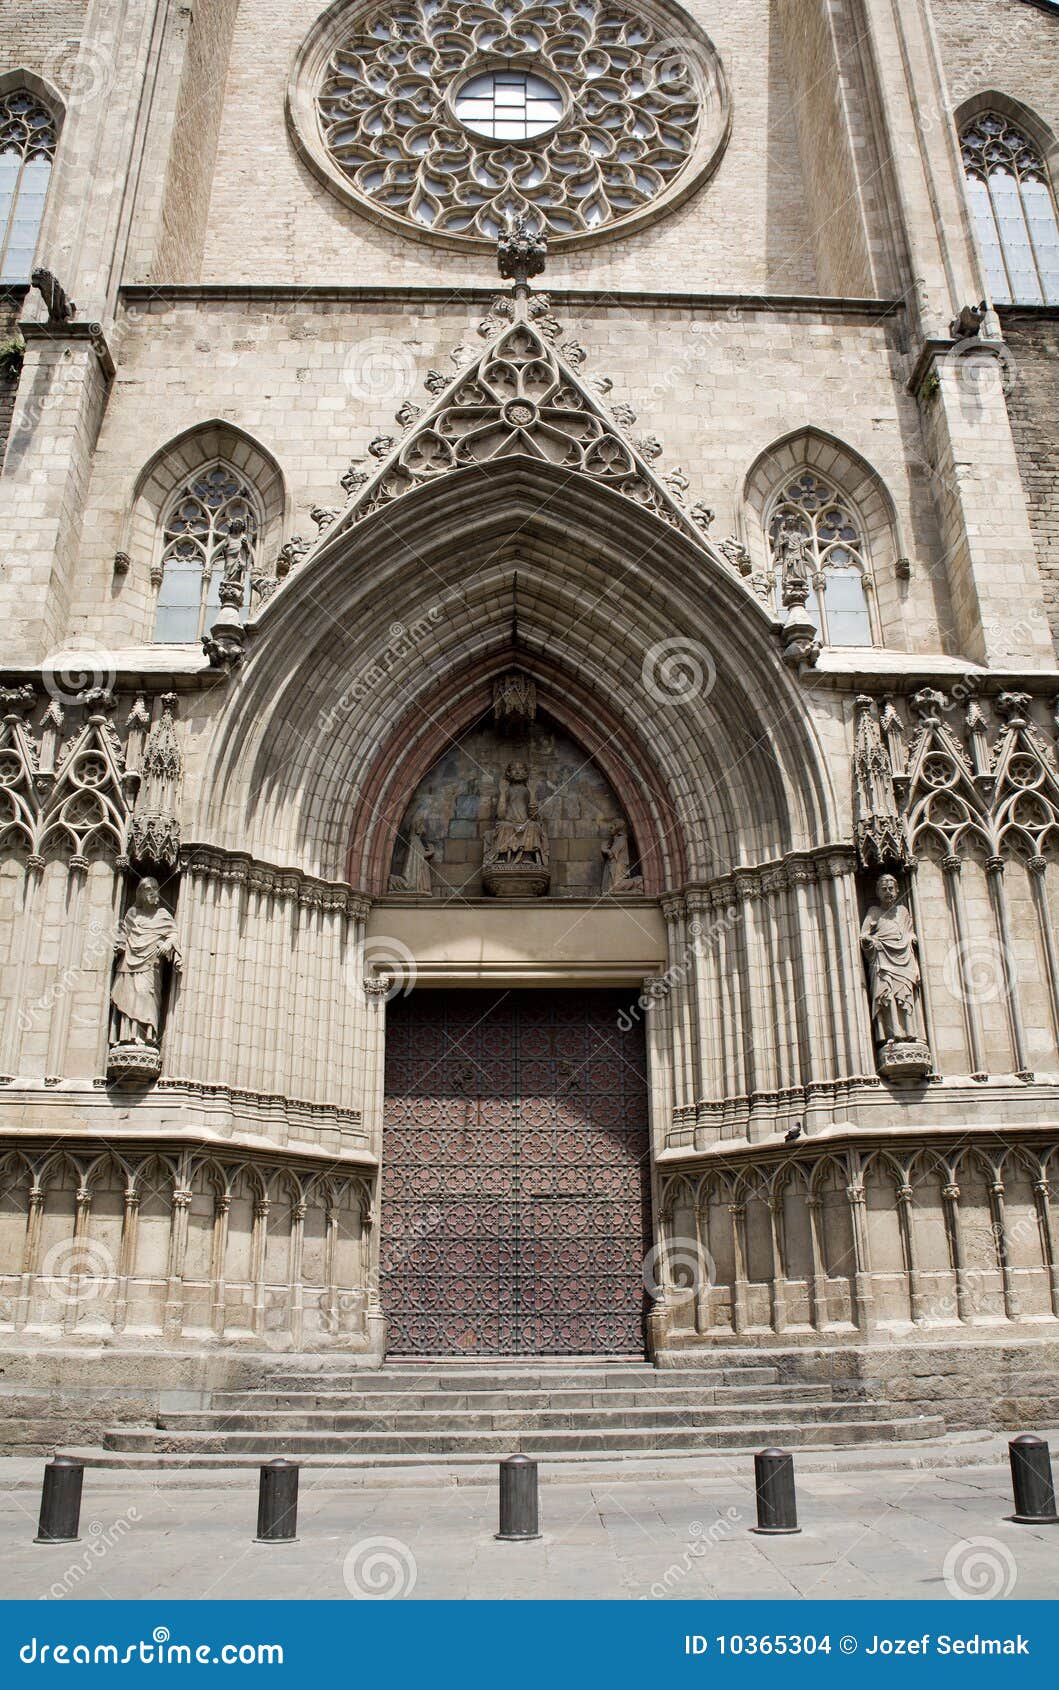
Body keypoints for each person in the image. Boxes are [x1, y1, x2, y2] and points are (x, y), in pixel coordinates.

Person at [111, 878, 181, 1046]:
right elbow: (123, 933)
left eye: (155, 888)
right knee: (128, 994)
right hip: (129, 961)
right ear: (140, 893)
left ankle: (145, 1034)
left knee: (145, 994)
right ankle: (127, 1035)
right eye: (147, 889)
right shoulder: (132, 914)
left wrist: (166, 944)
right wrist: (120, 943)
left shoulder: (163, 915)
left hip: (151, 963)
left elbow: (173, 934)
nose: (151, 892)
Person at [860, 873, 919, 1045]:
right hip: (883, 960)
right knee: (887, 996)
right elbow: (864, 935)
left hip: (904, 960)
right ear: (878, 892)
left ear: (897, 890)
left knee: (905, 995)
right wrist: (870, 941)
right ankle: (891, 1035)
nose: (888, 892)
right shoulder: (874, 912)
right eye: (884, 889)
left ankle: (910, 1033)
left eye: (891, 888)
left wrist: (910, 939)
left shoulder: (903, 912)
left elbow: (909, 932)